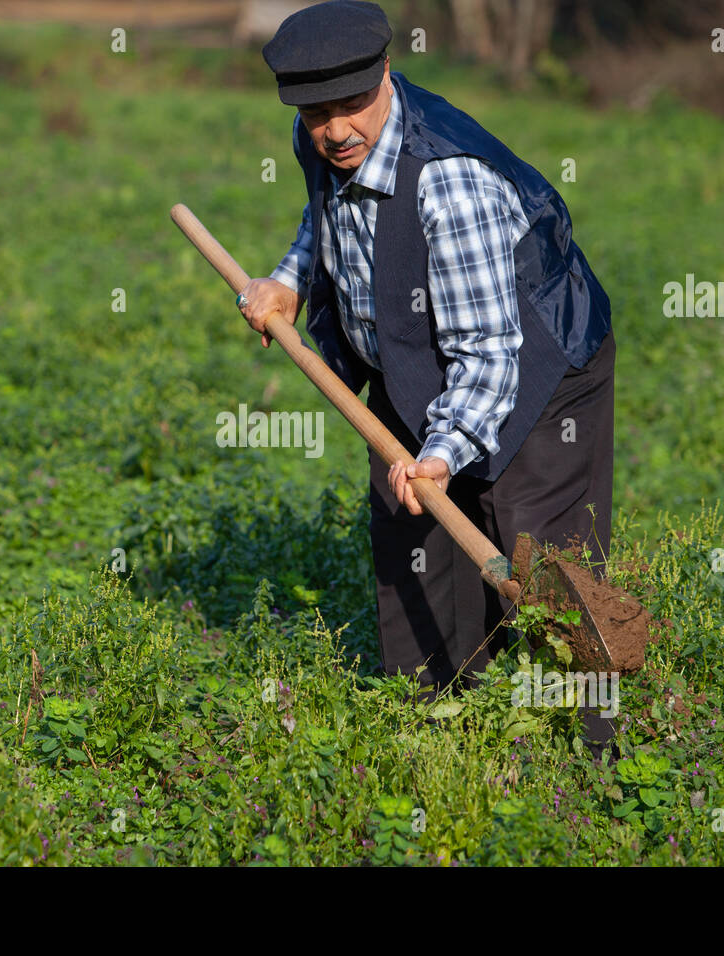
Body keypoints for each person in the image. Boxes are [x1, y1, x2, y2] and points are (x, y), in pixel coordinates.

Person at [237, 0, 616, 747]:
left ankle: (591, 751)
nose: (336, 130)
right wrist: (291, 277)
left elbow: (484, 351)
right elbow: (332, 217)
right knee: (411, 530)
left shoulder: (451, 182)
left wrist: (441, 454)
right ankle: (434, 727)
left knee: (537, 549)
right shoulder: (320, 134)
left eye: (351, 107)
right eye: (317, 113)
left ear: (386, 73)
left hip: (536, 367)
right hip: (414, 351)